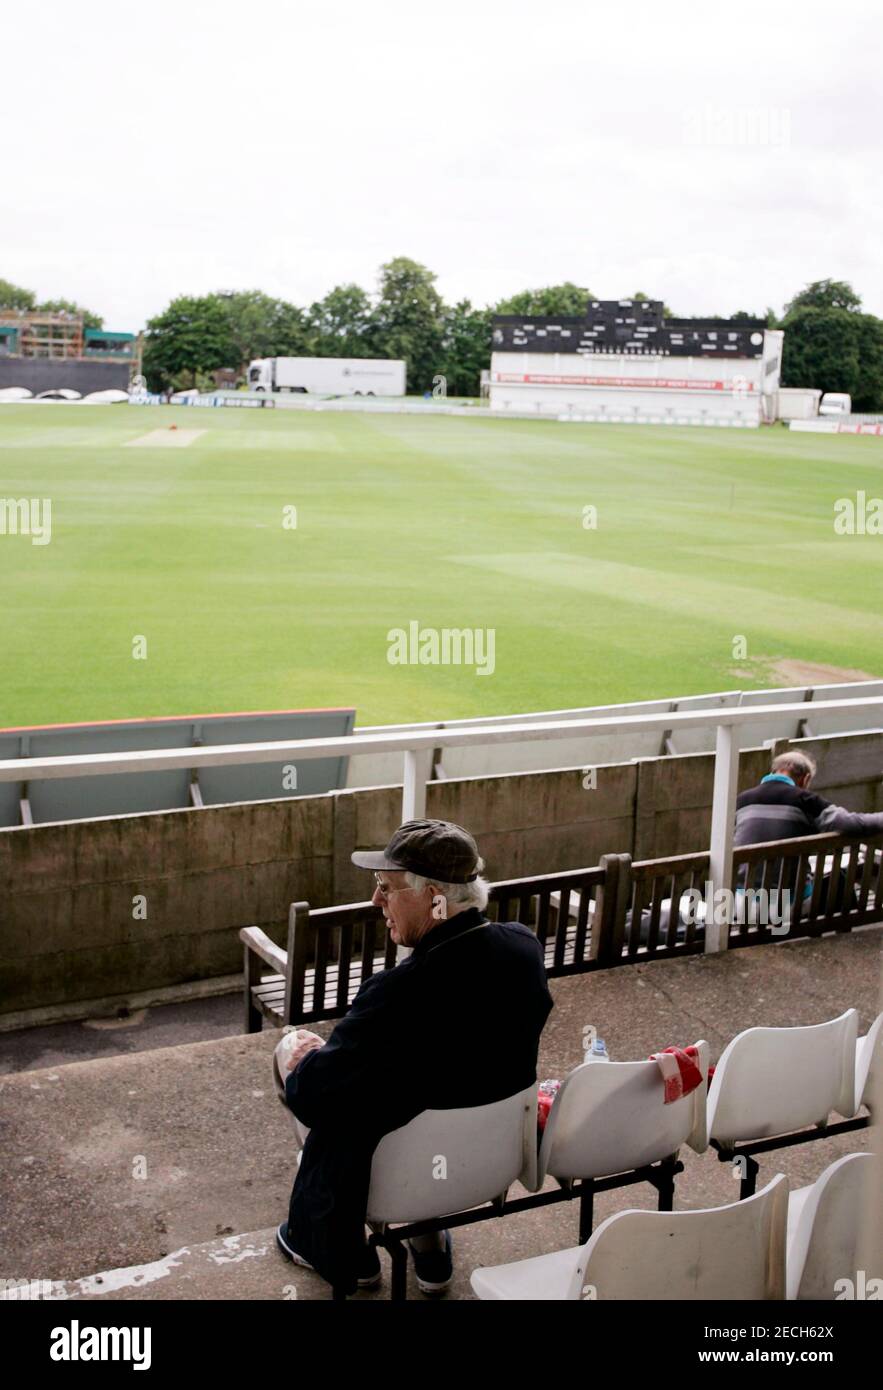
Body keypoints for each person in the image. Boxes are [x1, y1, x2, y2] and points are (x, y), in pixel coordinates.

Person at [275, 818, 554, 1297]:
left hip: (403, 1175)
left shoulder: (395, 995)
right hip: (489, 1164)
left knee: (299, 1062)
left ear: (434, 897)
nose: (375, 900)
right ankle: (428, 1246)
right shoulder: (523, 950)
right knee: (413, 1088)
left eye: (387, 887)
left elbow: (312, 1099)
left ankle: (345, 1249)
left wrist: (302, 1062)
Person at [734, 750, 883, 907]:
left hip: (744, 906)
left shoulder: (741, 800)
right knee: (839, 879)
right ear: (805, 779)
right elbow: (849, 823)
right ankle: (845, 929)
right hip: (788, 907)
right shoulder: (804, 799)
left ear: (773, 771)